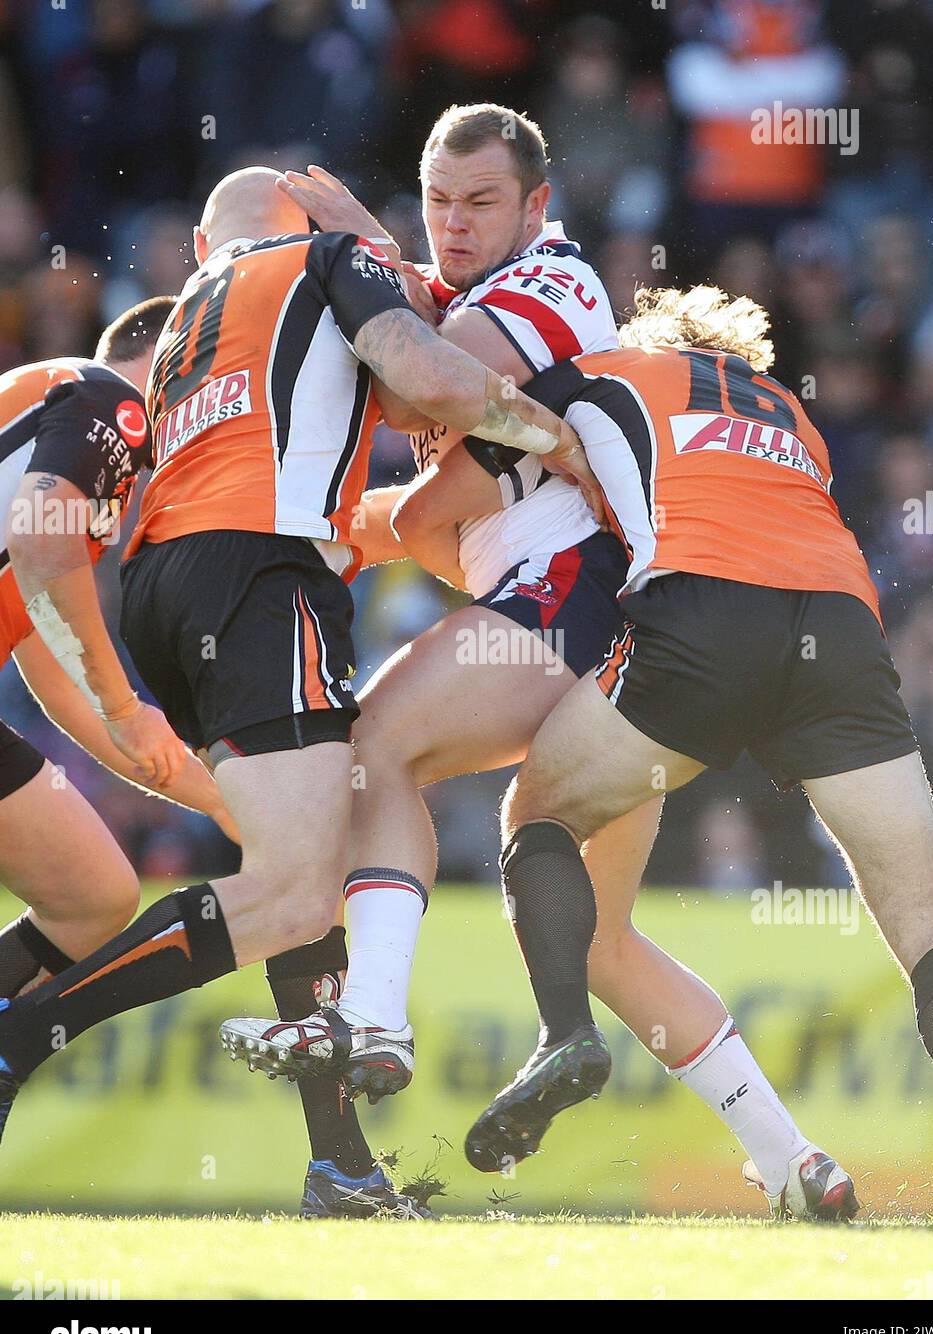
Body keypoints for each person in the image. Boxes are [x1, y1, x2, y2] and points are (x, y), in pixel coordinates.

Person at [223, 114, 857, 1223]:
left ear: (537, 207)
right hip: (611, 631)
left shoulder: (557, 281)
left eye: (479, 204)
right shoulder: (461, 292)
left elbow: (434, 382)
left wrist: (357, 259)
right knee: (600, 939)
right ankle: (794, 1157)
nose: (455, 224)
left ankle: (372, 1012)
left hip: (571, 591)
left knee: (373, 748)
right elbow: (428, 457)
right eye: (437, 201)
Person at [0, 165, 584, 1167]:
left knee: (151, 887)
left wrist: (148, 739)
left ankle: (341, 1162)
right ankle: (20, 1040)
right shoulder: (109, 393)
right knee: (295, 891)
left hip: (173, 593)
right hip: (259, 571)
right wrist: (558, 439)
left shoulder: (189, 355)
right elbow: (427, 379)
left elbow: (49, 638)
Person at [464, 284, 933, 1224]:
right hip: (840, 626)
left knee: (541, 814)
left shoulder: (606, 372)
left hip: (706, 609)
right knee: (928, 919)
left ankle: (565, 1036)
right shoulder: (792, 414)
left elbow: (471, 413)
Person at [0, 297, 236, 1003]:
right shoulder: (112, 401)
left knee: (93, 895)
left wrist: (222, 803)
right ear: (175, 355)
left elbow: (59, 675)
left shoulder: (55, 421)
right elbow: (42, 539)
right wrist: (125, 705)